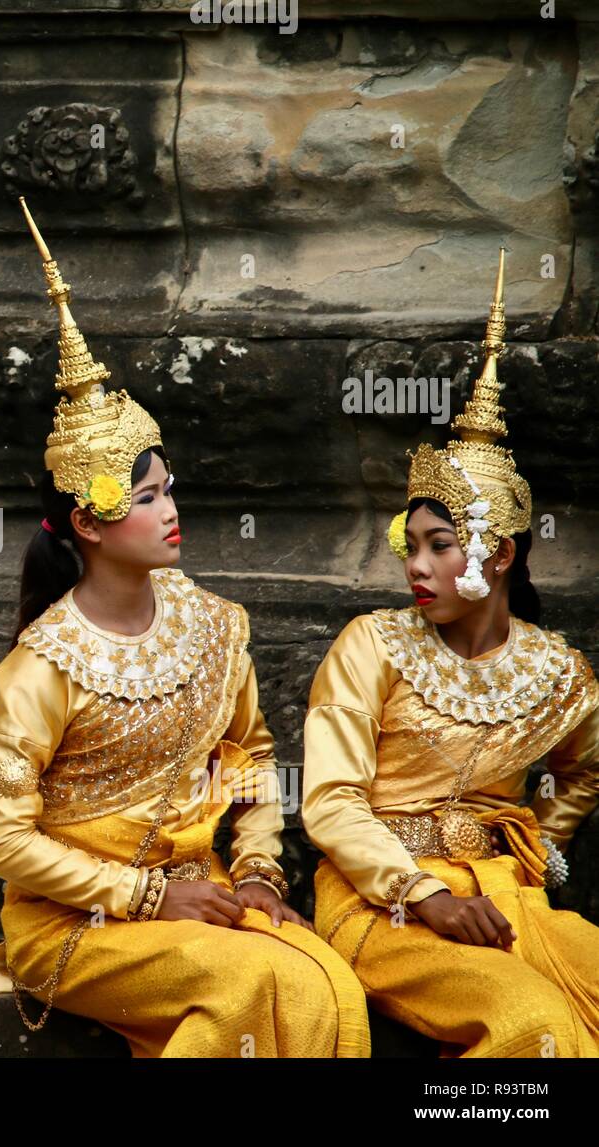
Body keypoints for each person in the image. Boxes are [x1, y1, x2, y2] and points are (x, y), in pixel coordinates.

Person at [0, 199, 370, 1058]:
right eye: (148, 497)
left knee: (331, 984)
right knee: (254, 984)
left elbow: (251, 757)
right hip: (74, 921)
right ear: (88, 522)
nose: (172, 510)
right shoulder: (42, 666)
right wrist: (146, 897)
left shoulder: (215, 623)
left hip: (209, 889)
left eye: (168, 488)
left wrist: (260, 870)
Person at [302, 249, 599, 1057]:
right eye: (413, 543)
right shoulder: (372, 646)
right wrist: (423, 888)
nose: (416, 566)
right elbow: (329, 801)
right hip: (382, 903)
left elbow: (587, 769)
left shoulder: (559, 675)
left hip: (506, 895)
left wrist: (542, 843)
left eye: (440, 546)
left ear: (498, 556)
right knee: (533, 1027)